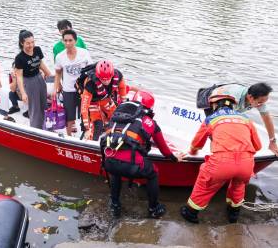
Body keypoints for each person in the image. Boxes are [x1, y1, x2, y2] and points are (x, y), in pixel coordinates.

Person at [101, 90, 186, 218]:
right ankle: (154, 208)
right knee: (153, 173)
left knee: (115, 171)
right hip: (131, 165)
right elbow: (164, 150)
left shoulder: (117, 115)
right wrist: (175, 158)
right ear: (150, 107)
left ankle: (115, 205)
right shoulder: (150, 122)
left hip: (109, 162)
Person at [180, 95, 262, 224]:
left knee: (205, 185)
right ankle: (233, 215)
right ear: (232, 105)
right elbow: (258, 146)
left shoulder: (210, 119)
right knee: (238, 185)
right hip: (246, 163)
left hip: (221, 164)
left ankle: (191, 213)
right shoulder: (246, 119)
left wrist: (192, 152)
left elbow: (196, 144)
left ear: (214, 105)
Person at [199, 83, 277, 156]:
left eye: (264, 102)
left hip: (233, 105)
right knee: (218, 131)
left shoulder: (259, 100)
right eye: (260, 102)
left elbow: (267, 119)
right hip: (214, 101)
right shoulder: (231, 99)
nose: (261, 105)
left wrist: (272, 142)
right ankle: (216, 156)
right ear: (250, 97)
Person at [54, 29, 92, 136]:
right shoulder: (60, 56)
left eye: (70, 40)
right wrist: (57, 86)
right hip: (68, 90)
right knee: (69, 116)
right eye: (65, 40)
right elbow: (57, 72)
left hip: (83, 90)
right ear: (62, 41)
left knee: (86, 115)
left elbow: (91, 70)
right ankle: (69, 136)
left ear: (75, 41)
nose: (68, 43)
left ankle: (87, 135)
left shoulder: (84, 53)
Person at [81, 60, 127, 141]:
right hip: (93, 101)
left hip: (106, 98)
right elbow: (84, 107)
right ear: (98, 76)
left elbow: (122, 90)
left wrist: (124, 106)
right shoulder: (90, 84)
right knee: (97, 124)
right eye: (103, 79)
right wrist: (87, 128)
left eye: (108, 79)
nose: (106, 81)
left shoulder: (118, 76)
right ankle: (93, 141)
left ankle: (113, 138)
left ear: (112, 75)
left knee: (115, 117)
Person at [15, 30, 52, 129]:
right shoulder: (19, 58)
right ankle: (36, 129)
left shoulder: (37, 49)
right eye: (28, 43)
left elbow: (40, 63)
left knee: (44, 103)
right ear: (22, 43)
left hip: (39, 78)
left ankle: (47, 125)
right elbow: (19, 76)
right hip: (29, 81)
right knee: (35, 107)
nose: (31, 45)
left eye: (32, 42)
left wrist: (48, 73)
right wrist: (23, 93)